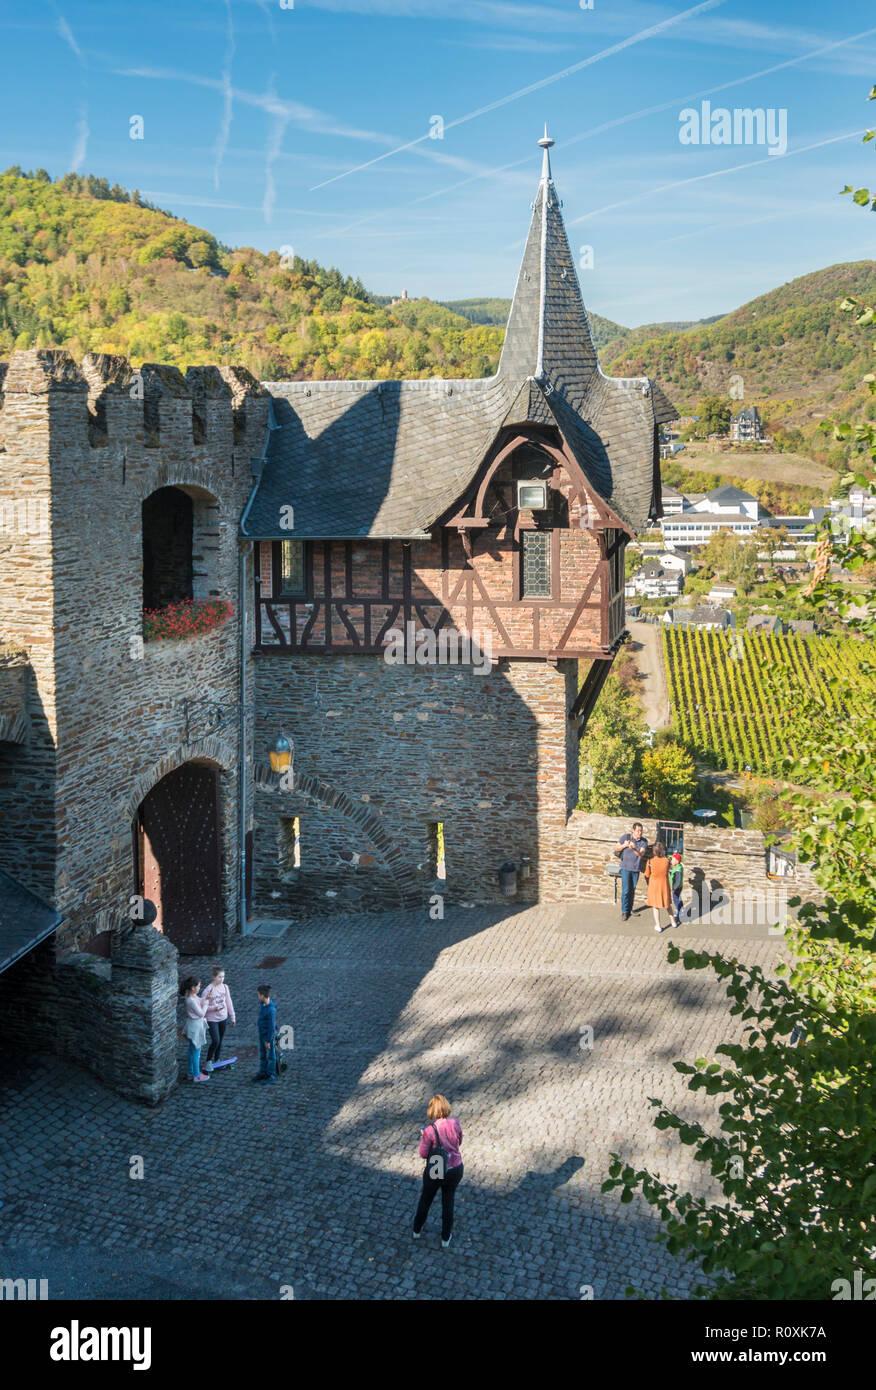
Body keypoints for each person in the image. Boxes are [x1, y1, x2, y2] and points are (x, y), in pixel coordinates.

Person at [412, 1094, 464, 1249]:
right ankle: (446, 1237)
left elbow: (423, 1153)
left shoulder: (429, 1130)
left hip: (437, 1167)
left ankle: (417, 1229)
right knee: (448, 1201)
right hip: (455, 1168)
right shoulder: (455, 1123)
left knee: (426, 1199)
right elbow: (459, 1141)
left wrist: (425, 1137)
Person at [201, 965, 236, 1072]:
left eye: (223, 977)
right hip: (212, 1019)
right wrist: (214, 1008)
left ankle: (217, 1059)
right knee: (215, 1040)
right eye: (219, 977)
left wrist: (232, 1017)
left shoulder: (225, 987)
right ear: (213, 977)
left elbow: (229, 1002)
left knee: (220, 1040)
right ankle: (208, 1061)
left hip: (223, 1018)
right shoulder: (208, 990)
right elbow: (202, 1008)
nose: (222, 979)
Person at [616, 821, 648, 920]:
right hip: (625, 868)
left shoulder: (643, 841)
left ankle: (630, 909)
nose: (640, 833)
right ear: (633, 830)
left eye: (641, 831)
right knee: (626, 890)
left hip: (635, 869)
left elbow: (641, 854)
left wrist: (634, 849)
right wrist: (625, 845)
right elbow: (616, 848)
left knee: (632, 890)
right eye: (638, 831)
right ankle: (624, 912)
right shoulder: (625, 837)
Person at [645, 841, 679, 933]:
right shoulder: (667, 861)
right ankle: (673, 922)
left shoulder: (650, 861)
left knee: (655, 906)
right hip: (664, 885)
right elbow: (670, 868)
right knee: (667, 904)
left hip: (654, 885)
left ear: (654, 851)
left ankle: (658, 925)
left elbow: (647, 874)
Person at [181, 976, 209, 1082]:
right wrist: (206, 1003)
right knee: (196, 1053)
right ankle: (197, 1075)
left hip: (193, 1025)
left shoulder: (191, 996)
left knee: (192, 1051)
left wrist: (205, 999)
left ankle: (190, 1072)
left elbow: (200, 1000)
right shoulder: (190, 1000)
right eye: (198, 986)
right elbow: (201, 1013)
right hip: (195, 1027)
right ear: (193, 987)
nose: (199, 988)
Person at [253, 984, 277, 1084]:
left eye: (258, 995)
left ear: (263, 996)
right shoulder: (263, 1005)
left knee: (271, 1056)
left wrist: (268, 1040)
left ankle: (271, 1074)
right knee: (263, 1054)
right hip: (262, 1034)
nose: (258, 997)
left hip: (267, 1036)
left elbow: (271, 1027)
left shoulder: (271, 1010)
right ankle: (263, 1072)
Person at [669, 851, 685, 923]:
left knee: (676, 900)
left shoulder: (678, 869)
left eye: (673, 859)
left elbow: (678, 880)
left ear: (677, 861)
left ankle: (679, 914)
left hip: (676, 887)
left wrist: (674, 888)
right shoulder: (677, 867)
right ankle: (682, 910)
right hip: (678, 887)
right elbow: (673, 873)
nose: (671, 860)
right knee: (679, 899)